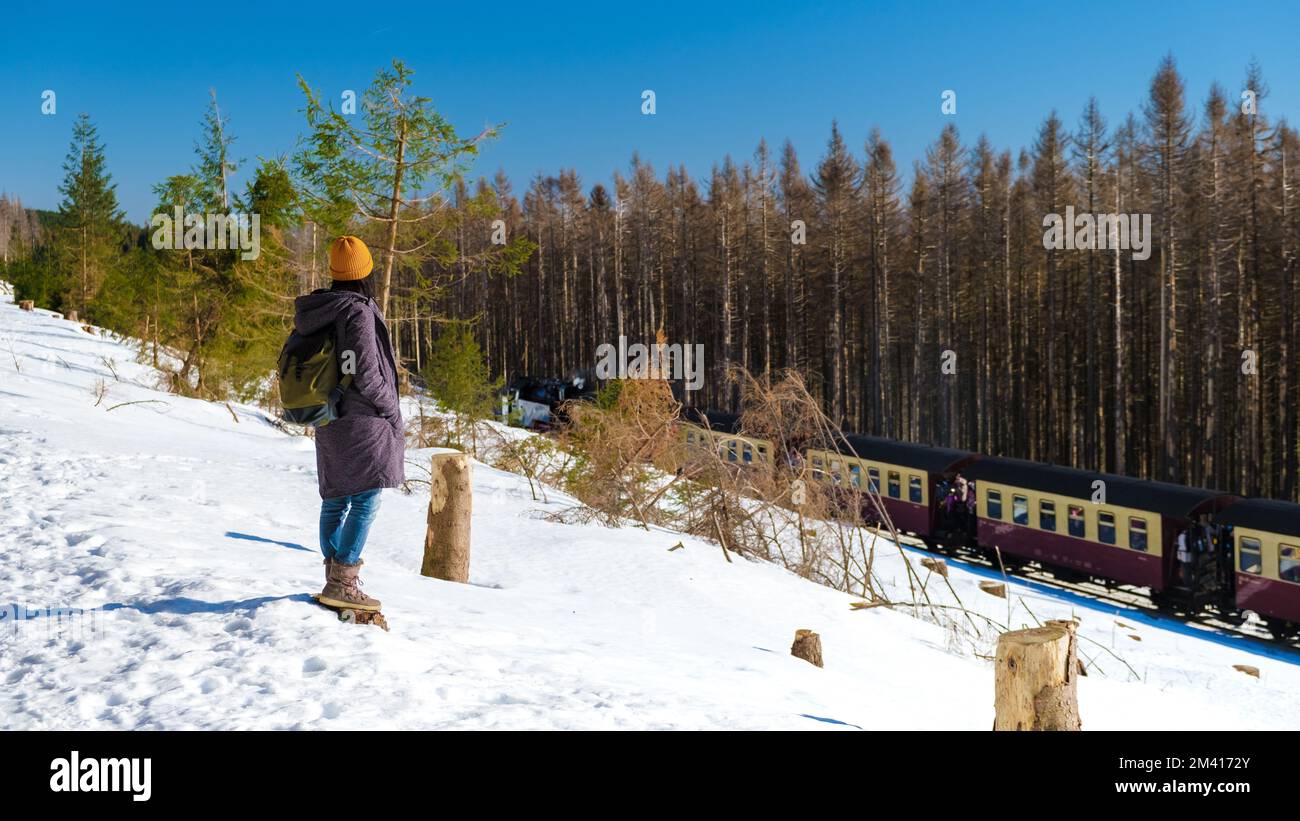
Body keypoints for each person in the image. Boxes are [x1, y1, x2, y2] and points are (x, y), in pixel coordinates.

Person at [292, 236, 405, 610]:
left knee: (336, 496)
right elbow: (367, 372)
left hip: (329, 416)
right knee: (366, 497)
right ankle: (344, 580)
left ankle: (333, 578)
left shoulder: (321, 307)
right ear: (366, 270)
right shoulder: (356, 311)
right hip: (361, 419)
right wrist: (390, 407)